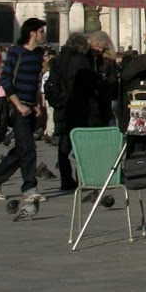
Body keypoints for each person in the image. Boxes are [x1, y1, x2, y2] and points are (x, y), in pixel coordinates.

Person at [0, 18, 48, 203]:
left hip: (30, 106)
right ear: (32, 33)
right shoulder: (15, 52)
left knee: (22, 149)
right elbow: (5, 80)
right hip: (17, 106)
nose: (43, 34)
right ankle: (29, 188)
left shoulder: (39, 54)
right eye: (41, 31)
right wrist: (19, 105)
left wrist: (37, 104)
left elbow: (35, 81)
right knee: (28, 148)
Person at [49, 31, 116, 194]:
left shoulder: (58, 60)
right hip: (81, 108)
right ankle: (84, 178)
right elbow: (91, 83)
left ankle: (66, 179)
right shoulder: (80, 61)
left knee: (64, 146)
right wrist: (100, 81)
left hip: (62, 107)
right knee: (84, 145)